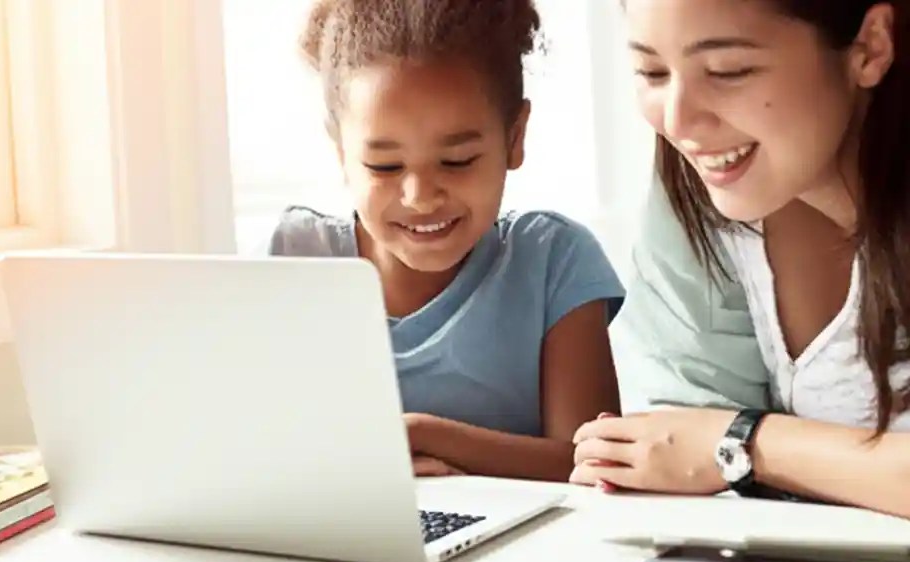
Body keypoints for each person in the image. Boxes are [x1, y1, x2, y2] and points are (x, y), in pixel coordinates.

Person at [573, 1, 910, 518]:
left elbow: (707, 445)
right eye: (652, 72)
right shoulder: (701, 196)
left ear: (870, 46)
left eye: (727, 71)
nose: (680, 121)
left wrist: (746, 443)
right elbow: (675, 439)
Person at [271, 0, 626, 482]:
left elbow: (592, 463)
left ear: (514, 137)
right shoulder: (296, 259)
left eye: (457, 160)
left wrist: (422, 435)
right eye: (384, 167)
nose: (420, 198)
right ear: (341, 153)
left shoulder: (554, 262)